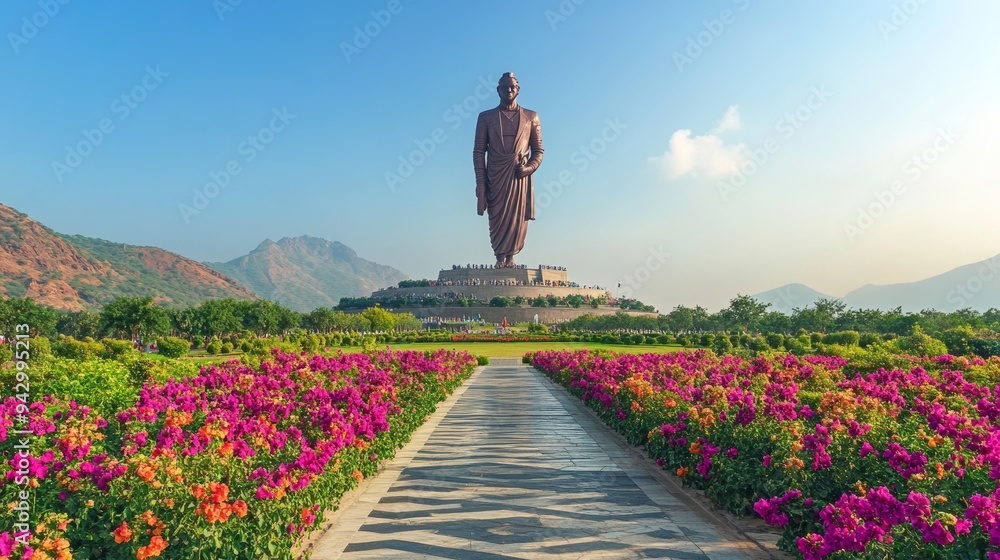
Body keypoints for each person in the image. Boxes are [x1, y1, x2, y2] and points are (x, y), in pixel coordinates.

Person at [473, 72, 544, 268]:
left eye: (513, 87)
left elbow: (538, 151)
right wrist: (480, 182)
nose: (509, 90)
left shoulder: (531, 117)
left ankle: (511, 258)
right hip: (495, 176)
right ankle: (499, 257)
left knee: (517, 219)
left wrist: (529, 167)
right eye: (505, 87)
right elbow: (479, 151)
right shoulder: (485, 117)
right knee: (496, 217)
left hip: (519, 177)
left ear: (518, 89)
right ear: (498, 90)